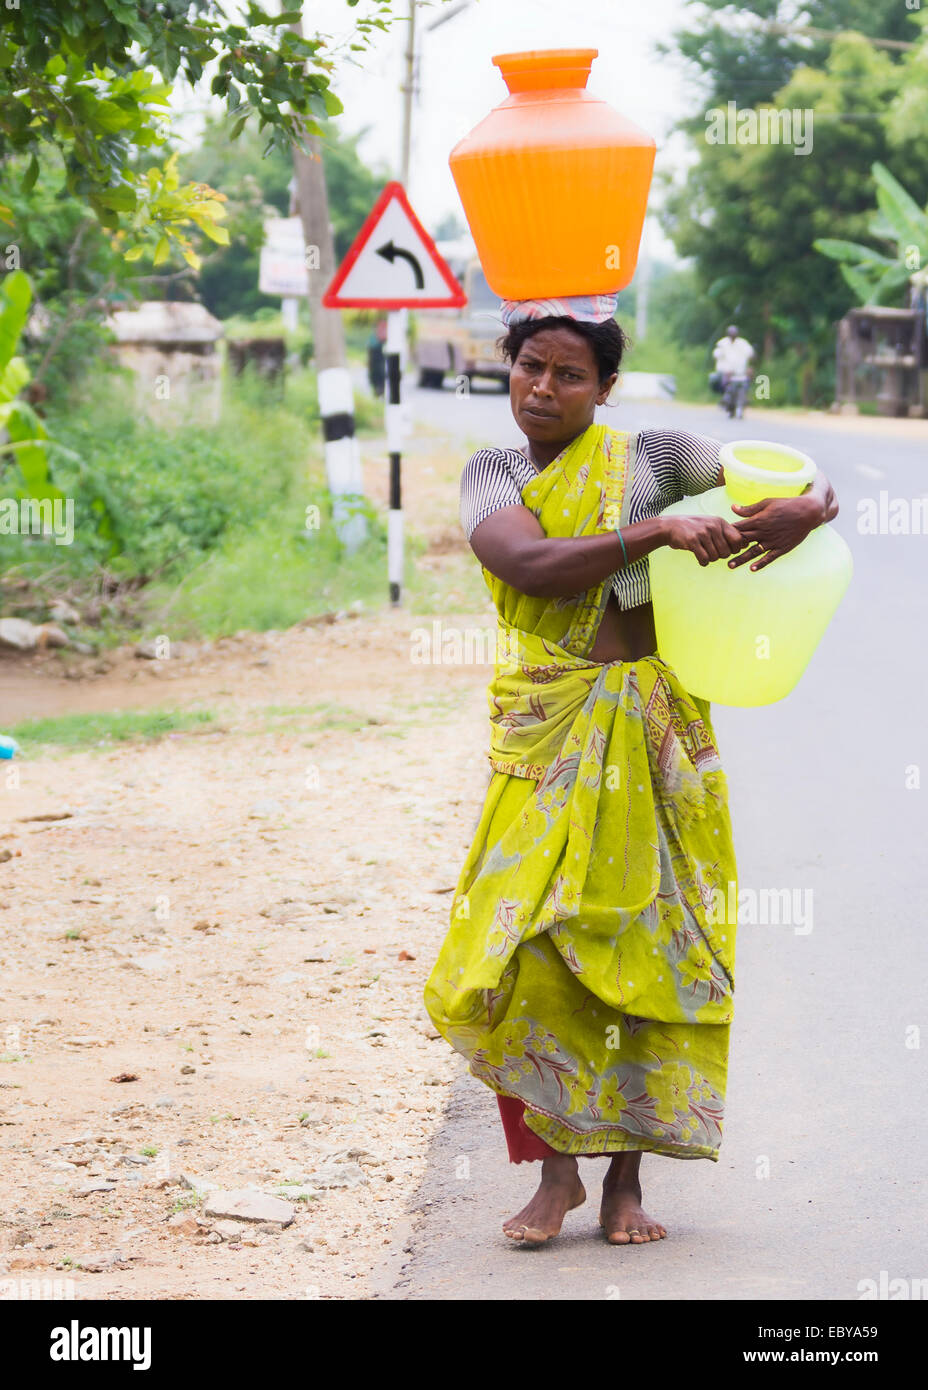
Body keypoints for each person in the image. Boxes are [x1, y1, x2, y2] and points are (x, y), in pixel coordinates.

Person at [424, 295, 838, 1248]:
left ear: (605, 388)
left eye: (570, 374)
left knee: (654, 946)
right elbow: (526, 563)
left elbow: (798, 479)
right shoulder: (491, 473)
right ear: (508, 367)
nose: (544, 386)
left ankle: (624, 1186)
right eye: (531, 366)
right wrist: (652, 536)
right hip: (549, 728)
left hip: (656, 728)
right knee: (528, 944)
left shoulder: (651, 458)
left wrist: (805, 515)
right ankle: (554, 1176)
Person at [712, 324, 755, 418]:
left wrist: (750, 366)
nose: (733, 335)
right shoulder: (723, 343)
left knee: (745, 385)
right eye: (731, 333)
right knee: (727, 387)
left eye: (734, 333)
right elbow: (717, 354)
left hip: (740, 372)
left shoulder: (742, 343)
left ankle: (745, 400)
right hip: (727, 372)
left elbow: (750, 353)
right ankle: (725, 400)